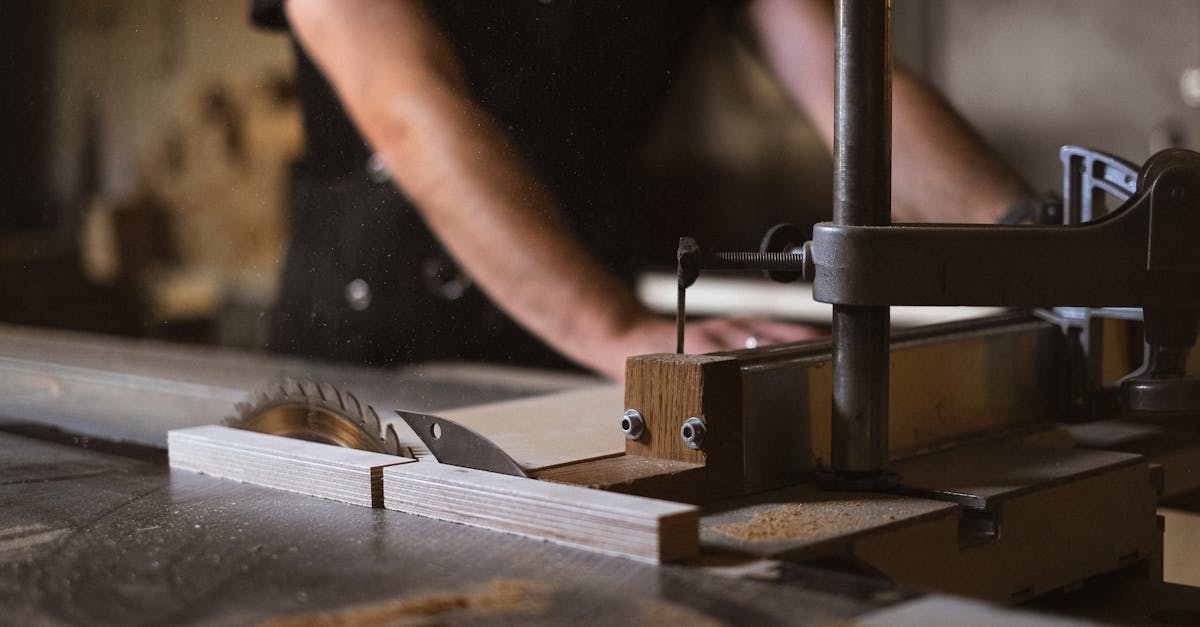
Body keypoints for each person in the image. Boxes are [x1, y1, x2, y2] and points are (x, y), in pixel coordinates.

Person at [251, 0, 1030, 380]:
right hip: (370, 370)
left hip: (588, 356)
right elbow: (411, 107)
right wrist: (615, 326)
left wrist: (1037, 244)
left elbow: (845, 84)